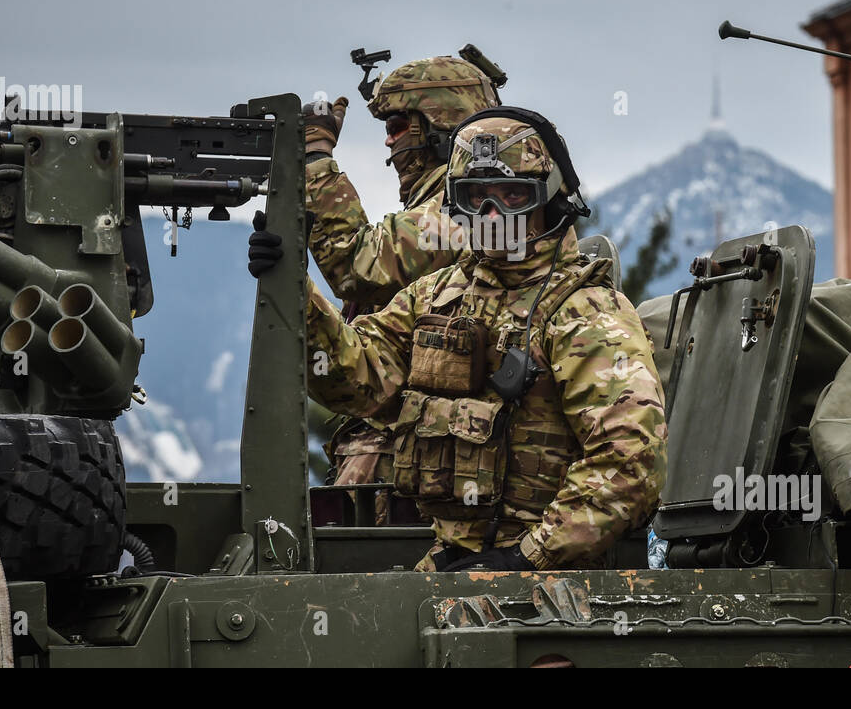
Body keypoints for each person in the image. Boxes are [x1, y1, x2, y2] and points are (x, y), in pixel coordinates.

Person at [249, 109, 666, 570]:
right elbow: (355, 378)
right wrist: (295, 291)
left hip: (555, 580)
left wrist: (524, 558)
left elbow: (629, 463)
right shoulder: (436, 295)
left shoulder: (585, 312)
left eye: (512, 195)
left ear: (550, 201)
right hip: (450, 565)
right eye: (476, 197)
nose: (492, 214)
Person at [296, 55, 501, 509]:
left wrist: (315, 160)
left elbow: (355, 265)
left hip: (409, 452)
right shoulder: (445, 205)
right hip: (401, 437)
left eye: (395, 127)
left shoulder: (464, 211)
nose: (388, 146)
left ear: (438, 128)